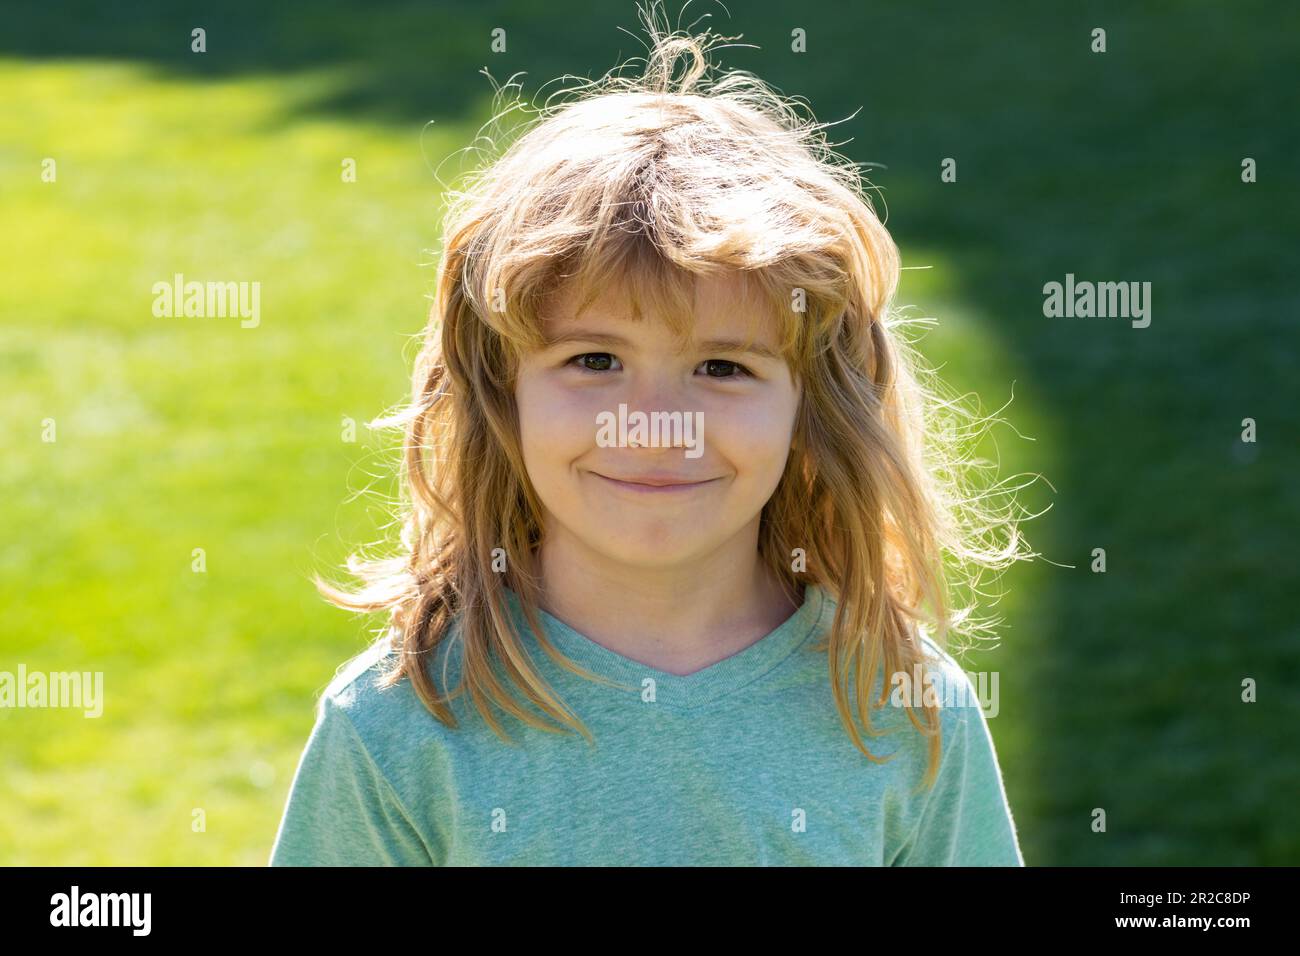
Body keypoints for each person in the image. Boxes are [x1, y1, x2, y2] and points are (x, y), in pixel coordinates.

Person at [270, 7, 1033, 867]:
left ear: (812, 405)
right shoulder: (399, 726)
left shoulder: (905, 705)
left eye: (722, 367)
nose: (655, 423)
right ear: (500, 391)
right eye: (595, 360)